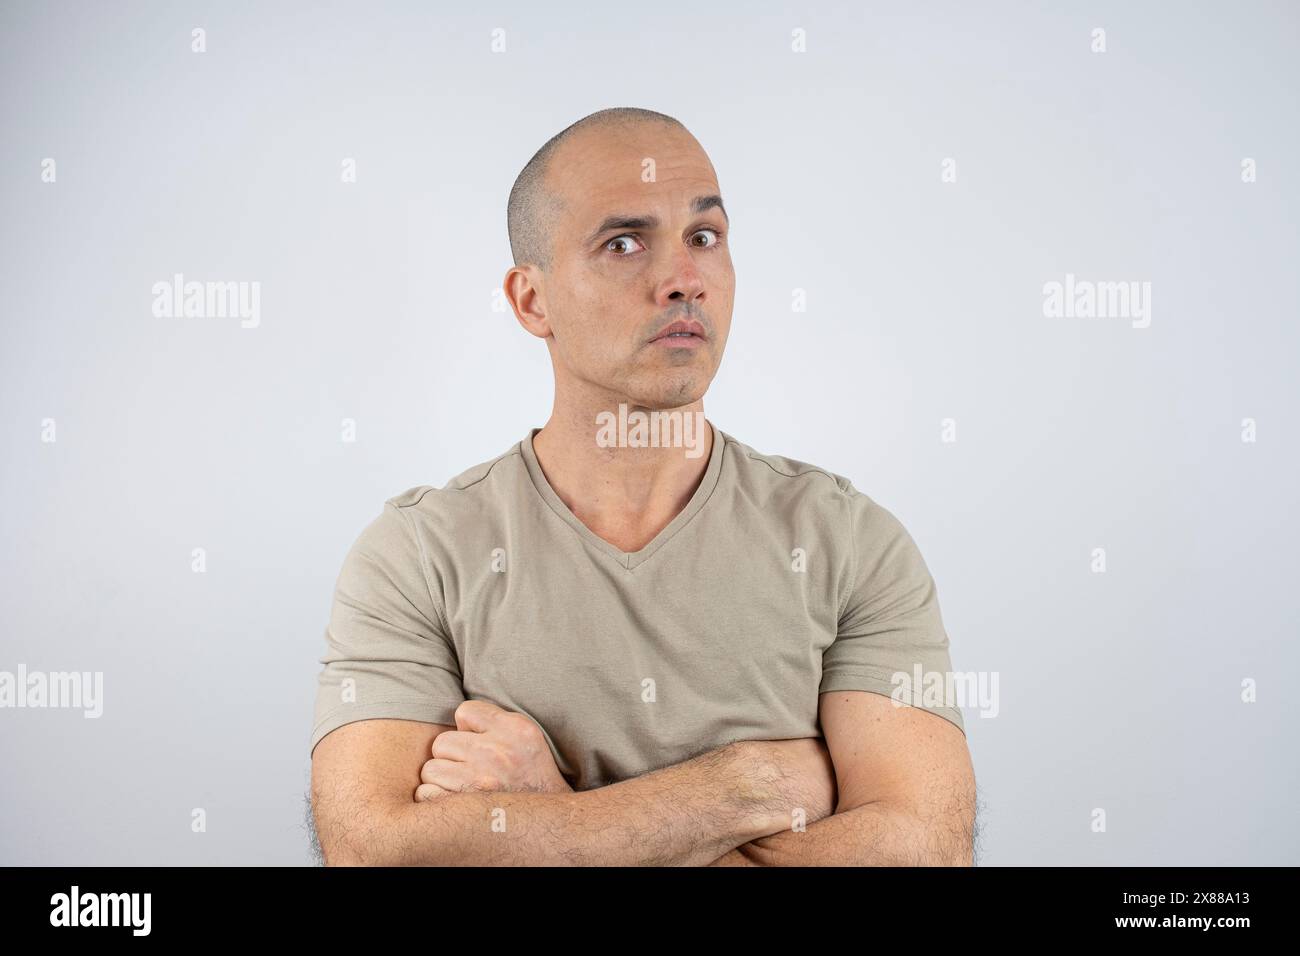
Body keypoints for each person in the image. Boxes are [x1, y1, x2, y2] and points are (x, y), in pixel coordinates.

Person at [308, 107, 976, 866]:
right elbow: (373, 852)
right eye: (623, 244)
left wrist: (552, 815)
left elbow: (926, 852)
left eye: (704, 237)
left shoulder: (849, 543)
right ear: (532, 301)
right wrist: (746, 787)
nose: (683, 280)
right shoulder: (419, 553)